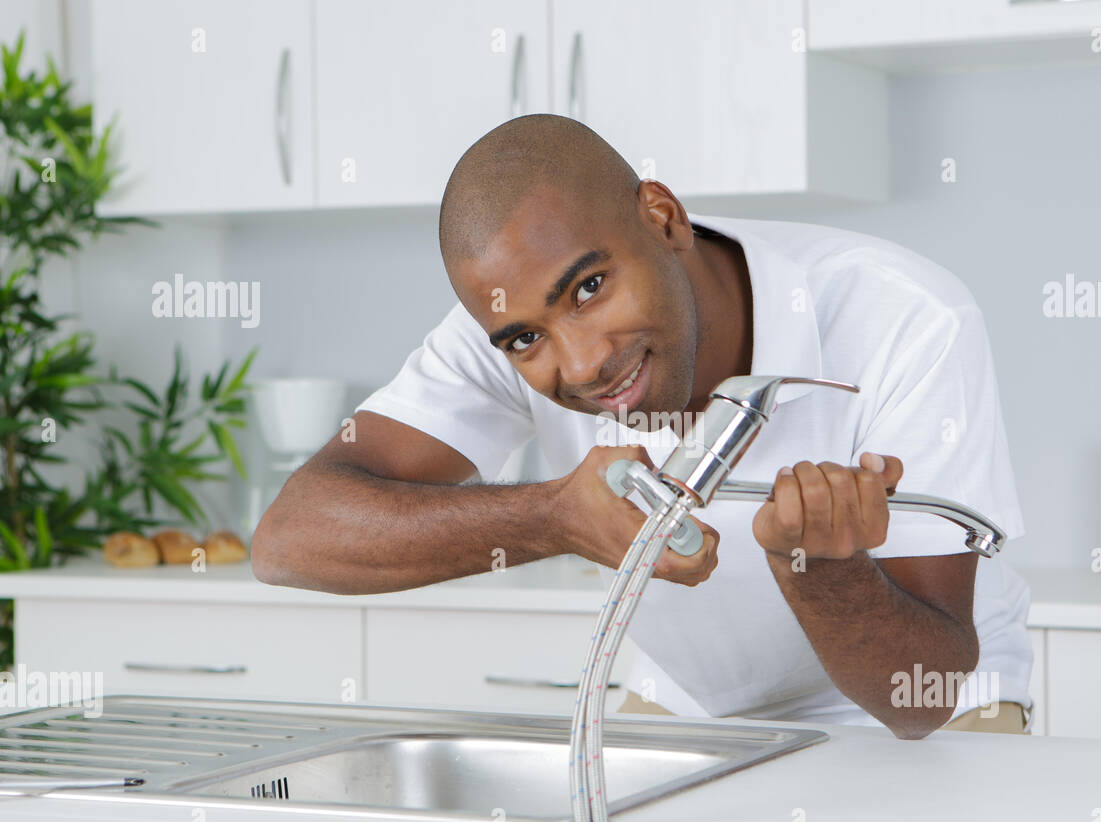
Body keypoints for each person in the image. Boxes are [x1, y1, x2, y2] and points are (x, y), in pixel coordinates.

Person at [251, 114, 1032, 739]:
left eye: (590, 288)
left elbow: (918, 702)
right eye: (527, 339)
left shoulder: (909, 320)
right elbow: (290, 537)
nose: (584, 363)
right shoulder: (508, 319)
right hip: (690, 705)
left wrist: (823, 571)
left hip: (932, 719)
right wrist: (549, 517)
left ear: (663, 220)